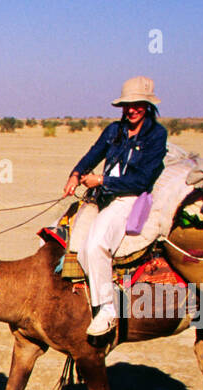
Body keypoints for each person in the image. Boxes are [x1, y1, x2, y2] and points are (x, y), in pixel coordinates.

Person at [62, 77, 168, 336]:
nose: (131, 110)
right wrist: (76, 174)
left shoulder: (156, 135)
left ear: (148, 106)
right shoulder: (114, 130)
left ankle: (107, 310)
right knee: (76, 245)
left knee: (97, 244)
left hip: (129, 199)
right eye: (127, 105)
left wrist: (101, 180)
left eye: (137, 105)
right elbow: (94, 153)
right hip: (103, 197)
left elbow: (143, 178)